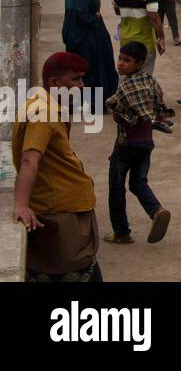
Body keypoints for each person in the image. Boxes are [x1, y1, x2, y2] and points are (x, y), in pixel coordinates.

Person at [10, 52, 102, 281]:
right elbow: (30, 159)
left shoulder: (41, 102)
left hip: (65, 203)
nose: (81, 86)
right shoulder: (44, 114)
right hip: (61, 210)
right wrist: (21, 205)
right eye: (75, 80)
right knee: (76, 271)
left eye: (82, 79)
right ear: (54, 83)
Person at [103, 42, 173, 245]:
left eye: (126, 60)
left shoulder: (124, 87)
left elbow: (117, 115)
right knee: (138, 182)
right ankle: (156, 211)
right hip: (146, 143)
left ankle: (121, 232)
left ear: (139, 64)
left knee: (116, 187)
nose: (121, 64)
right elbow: (159, 104)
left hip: (126, 144)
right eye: (120, 58)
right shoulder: (151, 82)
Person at [62, 0, 116, 112]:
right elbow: (82, 19)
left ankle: (83, 103)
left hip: (77, 39)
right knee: (91, 72)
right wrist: (96, 16)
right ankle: (91, 103)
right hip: (86, 41)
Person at [113, 0, 166, 74]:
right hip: (144, 45)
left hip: (126, 43)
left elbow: (117, 11)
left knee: (127, 77)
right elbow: (155, 19)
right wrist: (161, 38)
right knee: (144, 78)